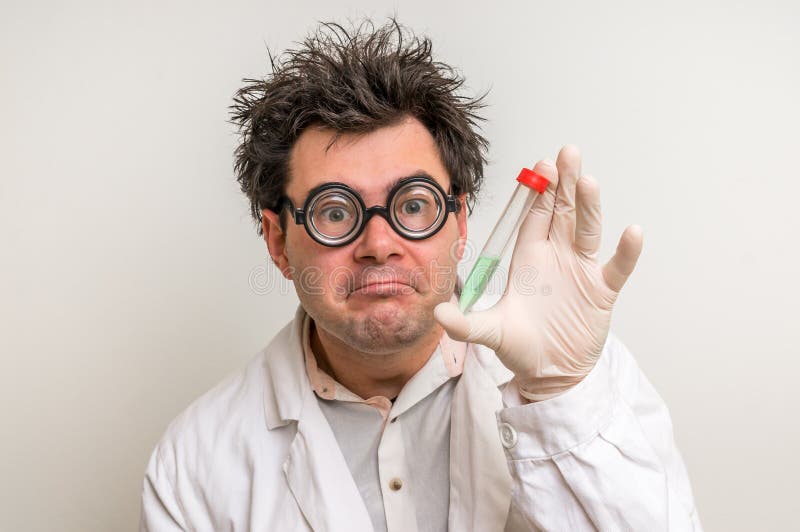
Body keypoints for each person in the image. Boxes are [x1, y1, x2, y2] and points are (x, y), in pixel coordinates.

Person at [140, 19, 702, 531]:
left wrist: (561, 401)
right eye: (335, 212)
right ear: (278, 241)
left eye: (412, 205)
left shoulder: (585, 383)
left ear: (459, 223)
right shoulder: (194, 465)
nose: (379, 245)